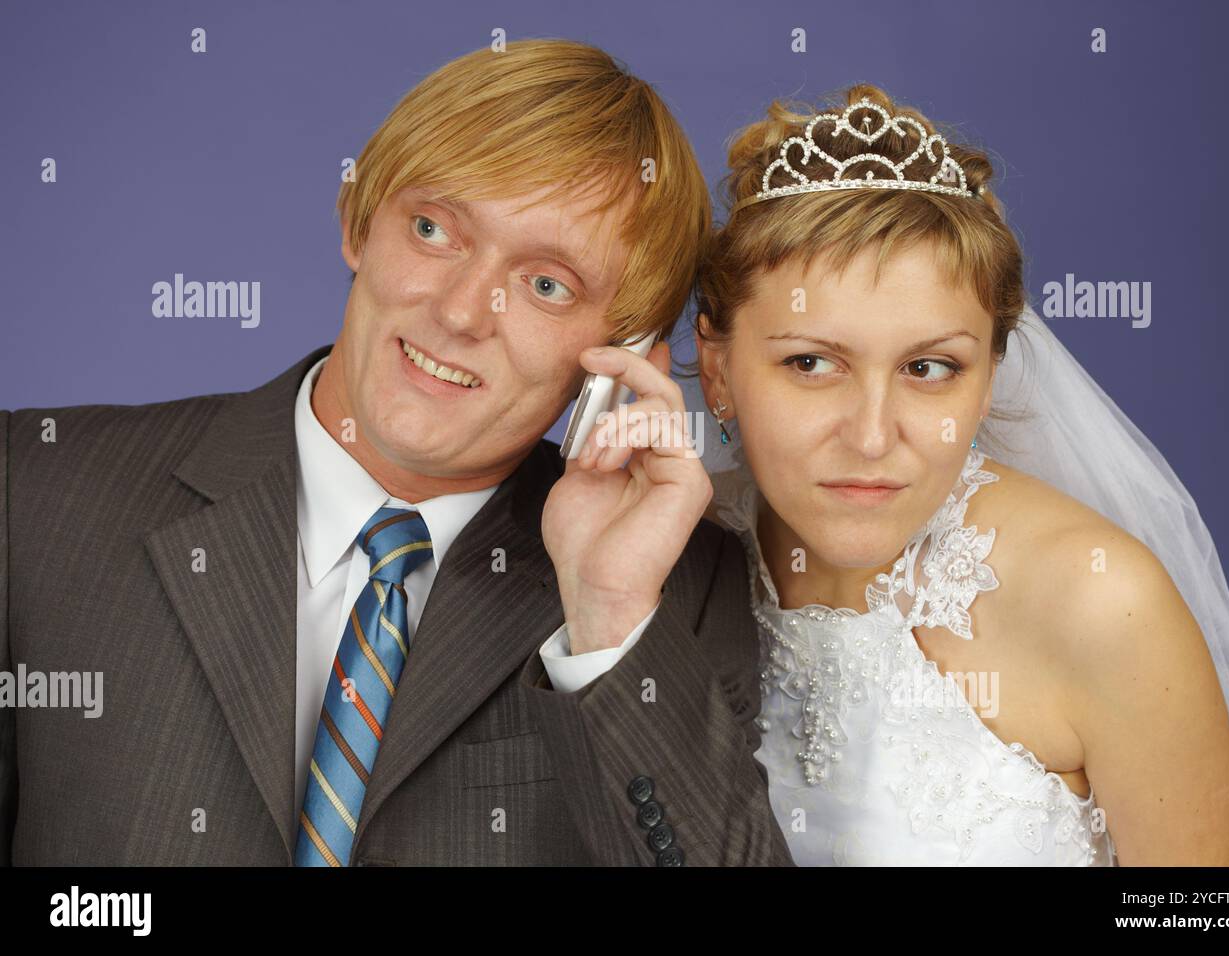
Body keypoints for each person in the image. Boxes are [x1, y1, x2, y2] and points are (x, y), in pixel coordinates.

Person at [0, 39, 794, 866]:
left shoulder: (681, 588)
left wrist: (607, 616)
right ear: (357, 220)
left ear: (626, 352)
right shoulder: (32, 491)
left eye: (547, 284)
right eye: (433, 229)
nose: (460, 312)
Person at [674, 83, 1229, 865]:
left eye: (930, 368)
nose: (873, 437)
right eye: (810, 363)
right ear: (719, 367)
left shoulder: (1104, 603)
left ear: (991, 374)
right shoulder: (670, 560)